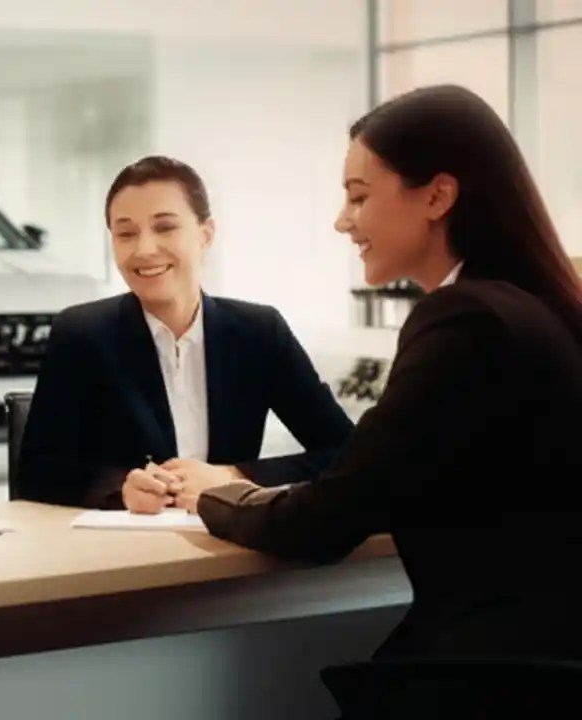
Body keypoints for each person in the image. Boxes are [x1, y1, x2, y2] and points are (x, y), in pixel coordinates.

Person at [194, 85, 582, 660]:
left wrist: (217, 494)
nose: (341, 222)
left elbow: (329, 518)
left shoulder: (466, 319)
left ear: (437, 196)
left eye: (358, 197)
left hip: (487, 679)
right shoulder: (542, 307)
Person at [16, 155, 354, 510]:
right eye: (126, 233)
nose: (144, 250)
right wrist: (121, 489)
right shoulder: (82, 334)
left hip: (232, 546)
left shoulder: (258, 332)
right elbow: (38, 472)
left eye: (165, 227)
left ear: (205, 235)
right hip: (123, 547)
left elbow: (346, 452)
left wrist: (233, 476)